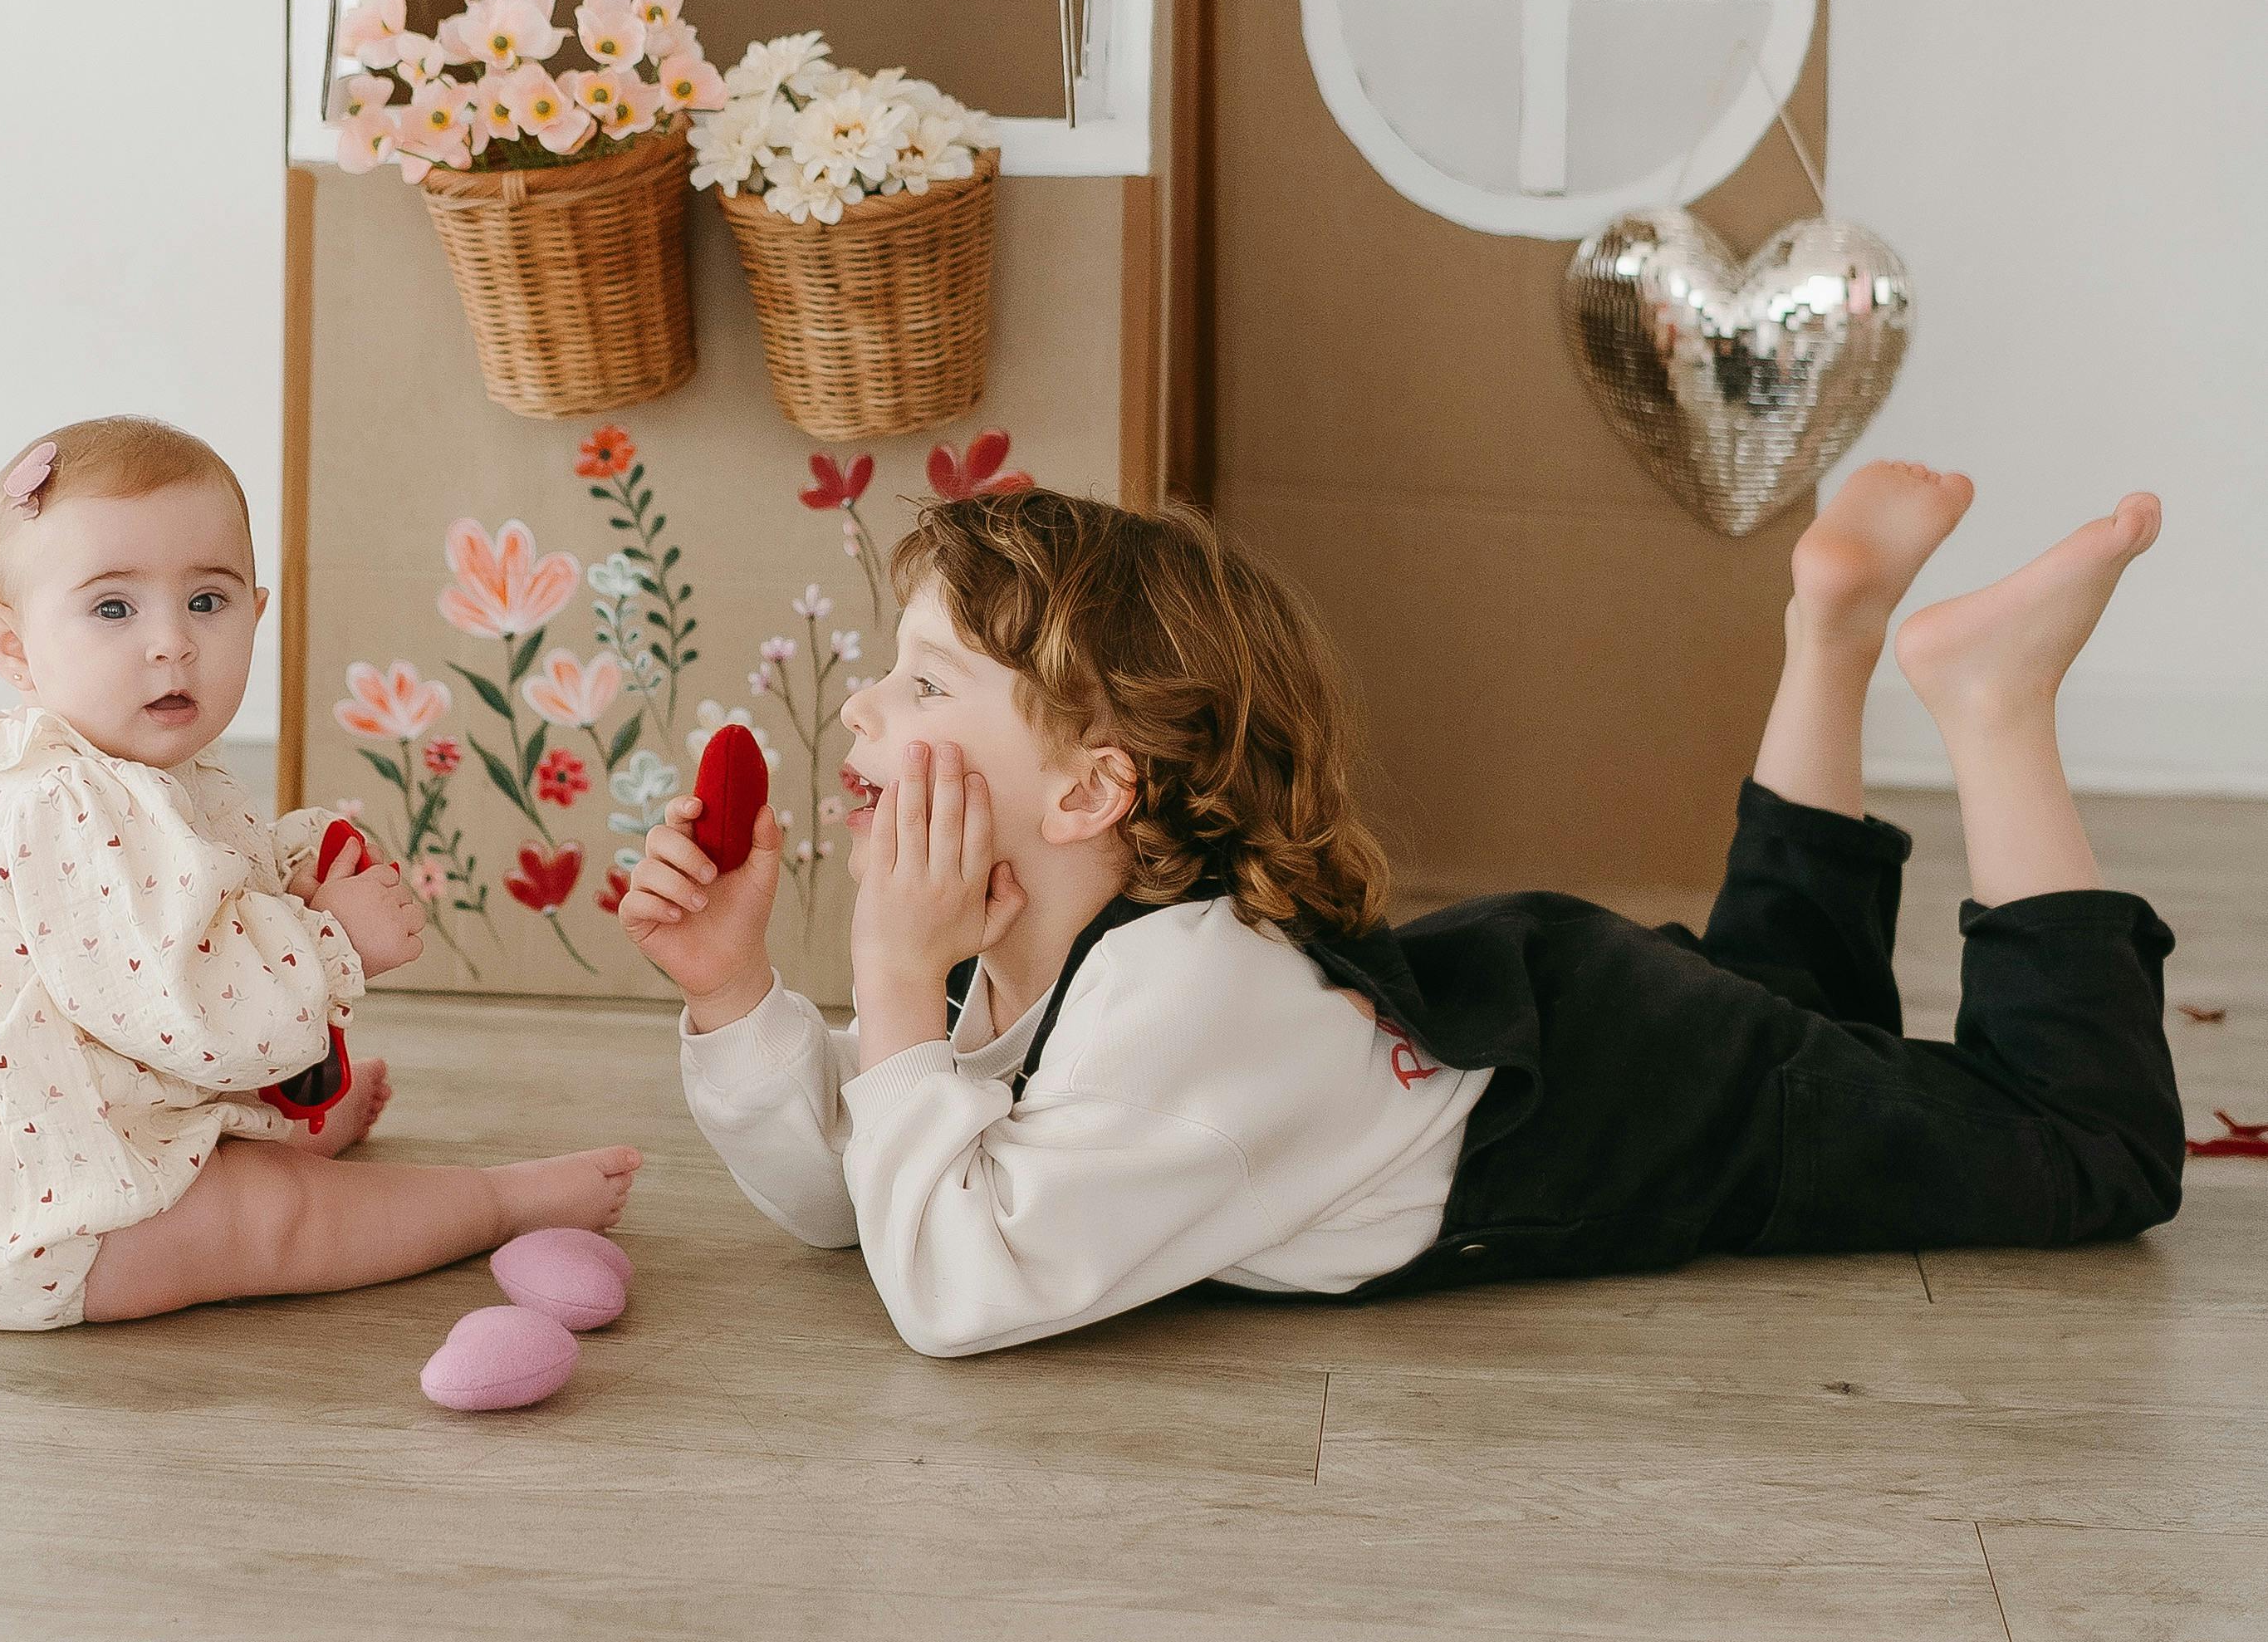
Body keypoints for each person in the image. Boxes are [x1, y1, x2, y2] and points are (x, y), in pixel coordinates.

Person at [618, 462, 2179, 1358]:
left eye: (926, 683)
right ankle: (1829, 633)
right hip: (1571, 1018)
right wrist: (739, 995)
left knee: (2080, 1148)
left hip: (1640, 1097)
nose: (869, 712)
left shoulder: (1181, 1004)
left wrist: (889, 977)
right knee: (1803, 1013)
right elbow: (866, 1203)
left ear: (1091, 791)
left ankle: (1992, 706)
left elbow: (953, 1289)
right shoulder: (1055, 932)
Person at [0, 412, 636, 1328]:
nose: (171, 642)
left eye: (206, 602)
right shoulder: (60, 807)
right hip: (14, 1223)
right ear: (13, 647)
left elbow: (201, 890)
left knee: (245, 1156)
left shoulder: (137, 768)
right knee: (272, 1220)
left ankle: (286, 1133)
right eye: (113, 608)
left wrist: (295, 865)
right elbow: (192, 1007)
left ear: (256, 610)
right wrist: (331, 944)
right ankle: (494, 1204)